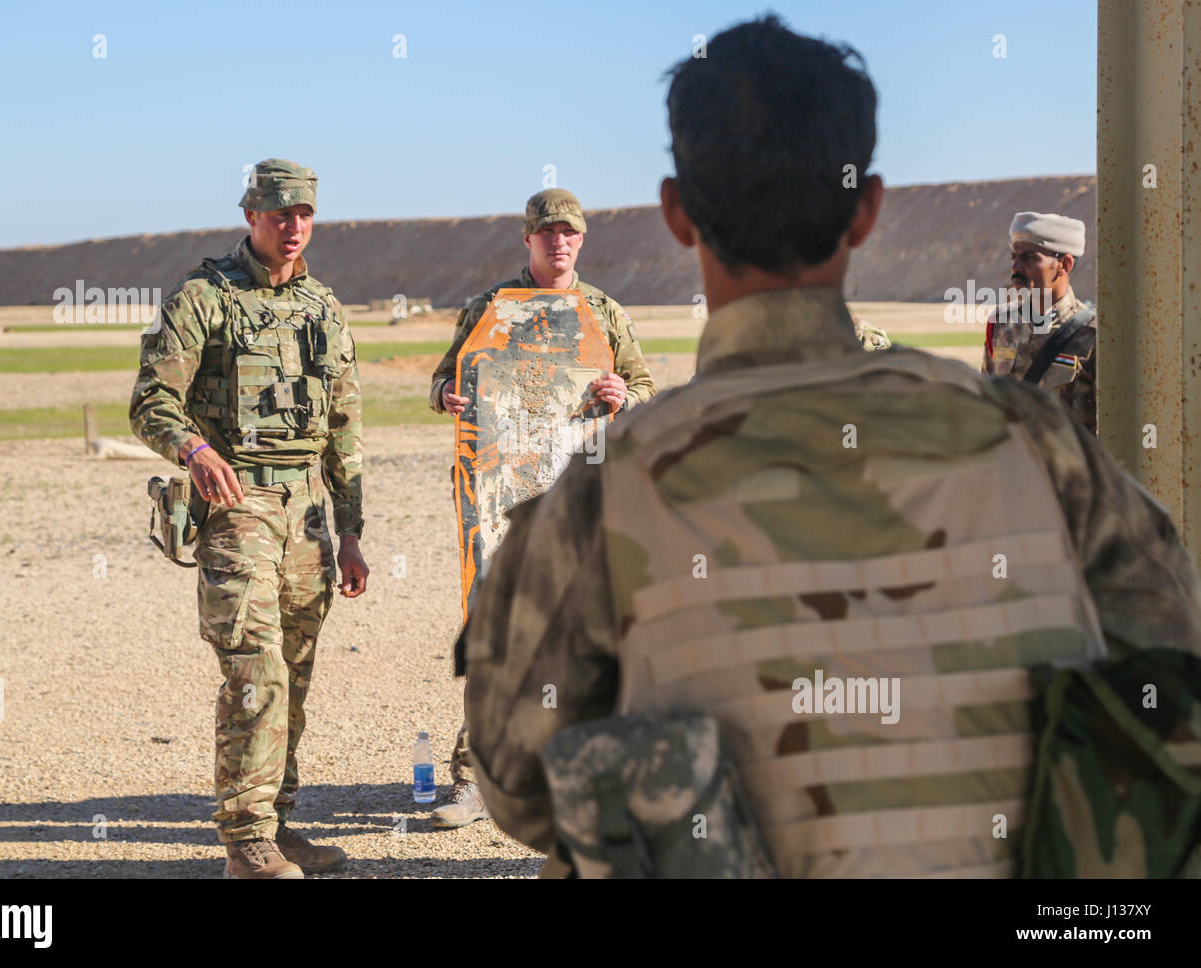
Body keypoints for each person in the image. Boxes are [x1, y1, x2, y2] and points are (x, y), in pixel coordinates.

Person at [458, 16, 1201, 877]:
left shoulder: (602, 490)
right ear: (867, 207)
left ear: (676, 214)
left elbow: (514, 777)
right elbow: (1169, 692)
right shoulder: (1037, 447)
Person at [130, 158, 369, 879]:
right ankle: (244, 841)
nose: (293, 227)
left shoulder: (324, 307)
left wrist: (352, 531)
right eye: (278, 214)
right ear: (251, 217)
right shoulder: (202, 298)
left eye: (304, 215)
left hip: (308, 517)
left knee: (294, 672)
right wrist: (194, 448)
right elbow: (150, 403)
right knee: (254, 668)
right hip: (237, 507)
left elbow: (346, 428)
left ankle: (278, 823)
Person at [426, 188, 656, 829]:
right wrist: (447, 392)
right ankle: (477, 781)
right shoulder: (490, 308)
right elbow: (447, 378)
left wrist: (624, 394)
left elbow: (644, 387)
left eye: (570, 233)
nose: (559, 242)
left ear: (581, 240)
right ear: (527, 239)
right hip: (498, 497)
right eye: (548, 233)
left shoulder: (603, 311)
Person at [982, 212, 1097, 433]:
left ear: (1064, 263)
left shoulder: (1094, 333)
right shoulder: (1000, 325)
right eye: (1013, 257)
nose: (1016, 267)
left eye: (1029, 258)